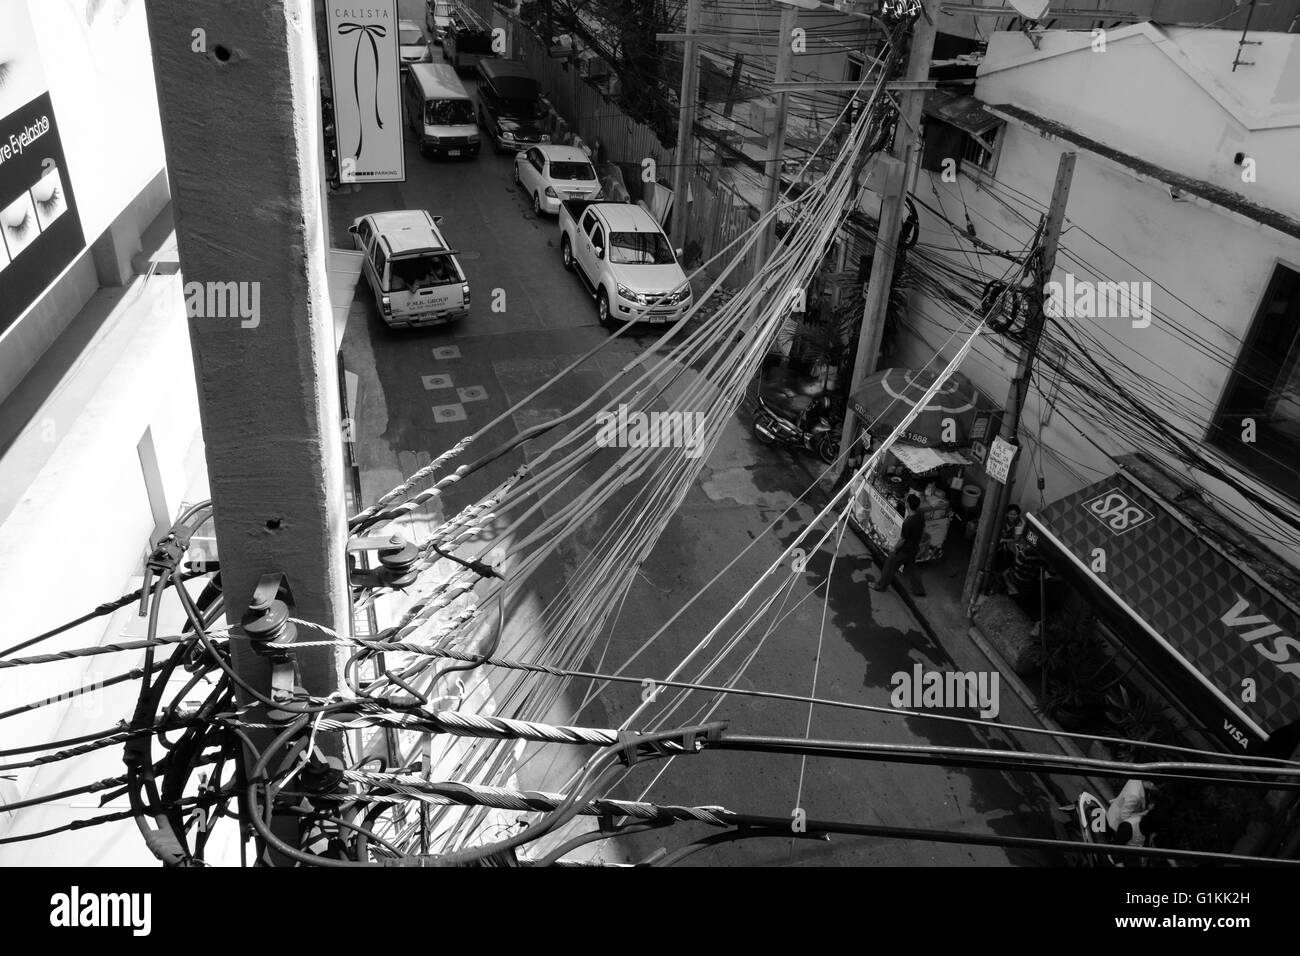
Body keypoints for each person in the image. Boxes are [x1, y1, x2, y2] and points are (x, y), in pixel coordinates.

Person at [872, 493, 927, 596]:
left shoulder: (908, 522)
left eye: (906, 501)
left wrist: (894, 549)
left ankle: (880, 586)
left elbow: (902, 540)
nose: (905, 502)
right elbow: (922, 529)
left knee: (889, 564)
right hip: (914, 548)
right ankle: (919, 590)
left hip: (904, 550)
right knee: (911, 568)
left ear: (908, 505)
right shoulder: (920, 515)